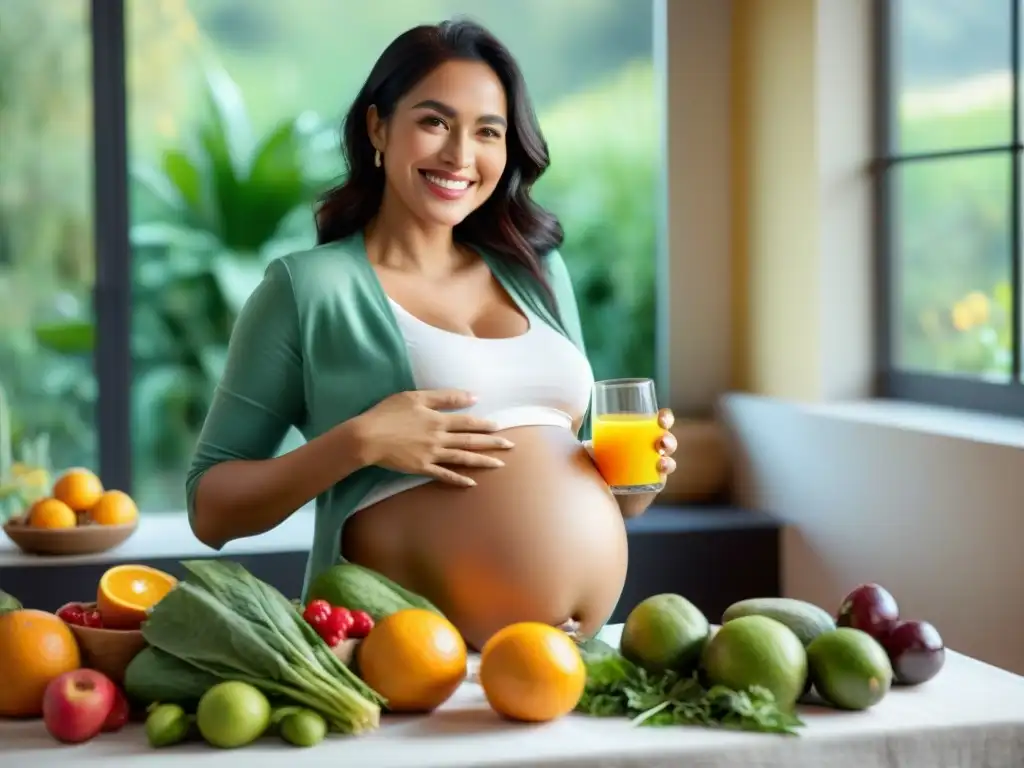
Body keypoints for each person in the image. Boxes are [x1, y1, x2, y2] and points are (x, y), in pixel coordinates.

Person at [186, 18, 678, 650]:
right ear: (377, 128)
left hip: (576, 659)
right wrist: (360, 442)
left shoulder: (539, 271)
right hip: (412, 669)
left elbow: (591, 482)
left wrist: (637, 482)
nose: (460, 156)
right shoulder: (307, 290)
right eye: (435, 122)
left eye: (488, 132)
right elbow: (210, 508)